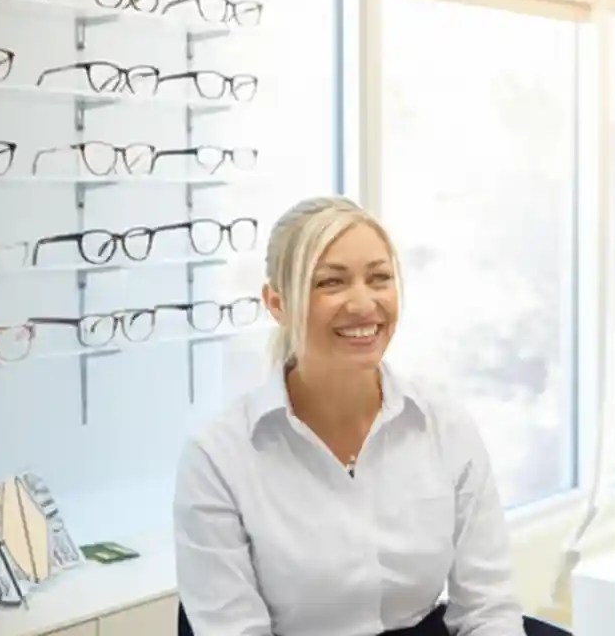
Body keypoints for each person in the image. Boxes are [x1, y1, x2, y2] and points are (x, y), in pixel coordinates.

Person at [173, 196, 525, 636]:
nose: (363, 303)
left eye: (379, 279)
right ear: (276, 303)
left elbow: (487, 609)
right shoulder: (218, 458)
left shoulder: (445, 429)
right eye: (331, 283)